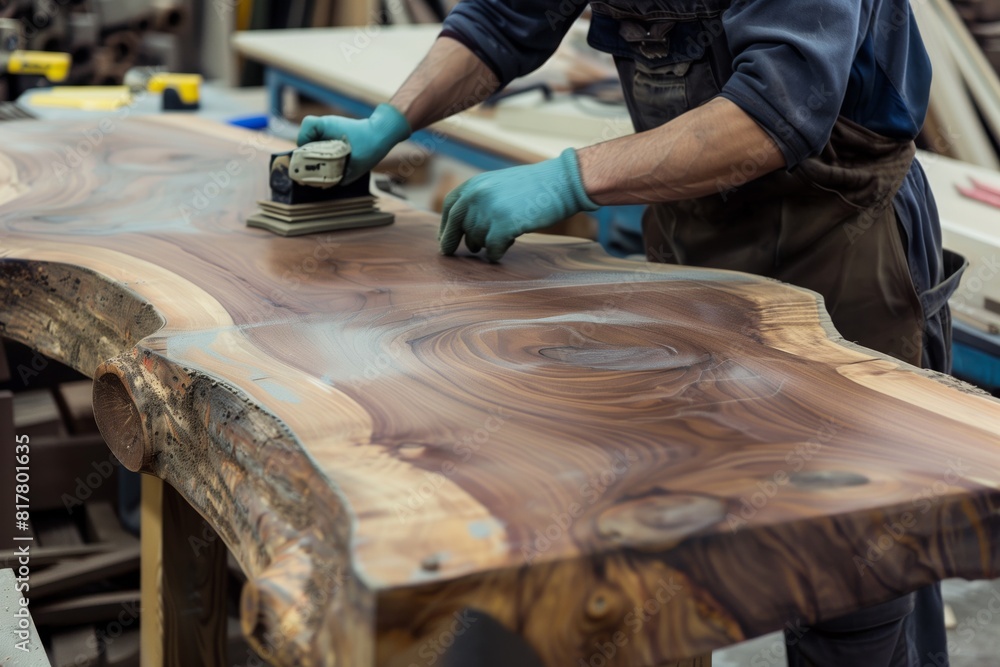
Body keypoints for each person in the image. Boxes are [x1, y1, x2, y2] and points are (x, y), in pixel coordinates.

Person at [299, 1, 966, 664]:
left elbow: (777, 110)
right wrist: (389, 122)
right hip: (695, 240)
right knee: (663, 549)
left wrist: (570, 179)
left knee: (853, 571)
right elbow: (503, 20)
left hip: (840, 239)